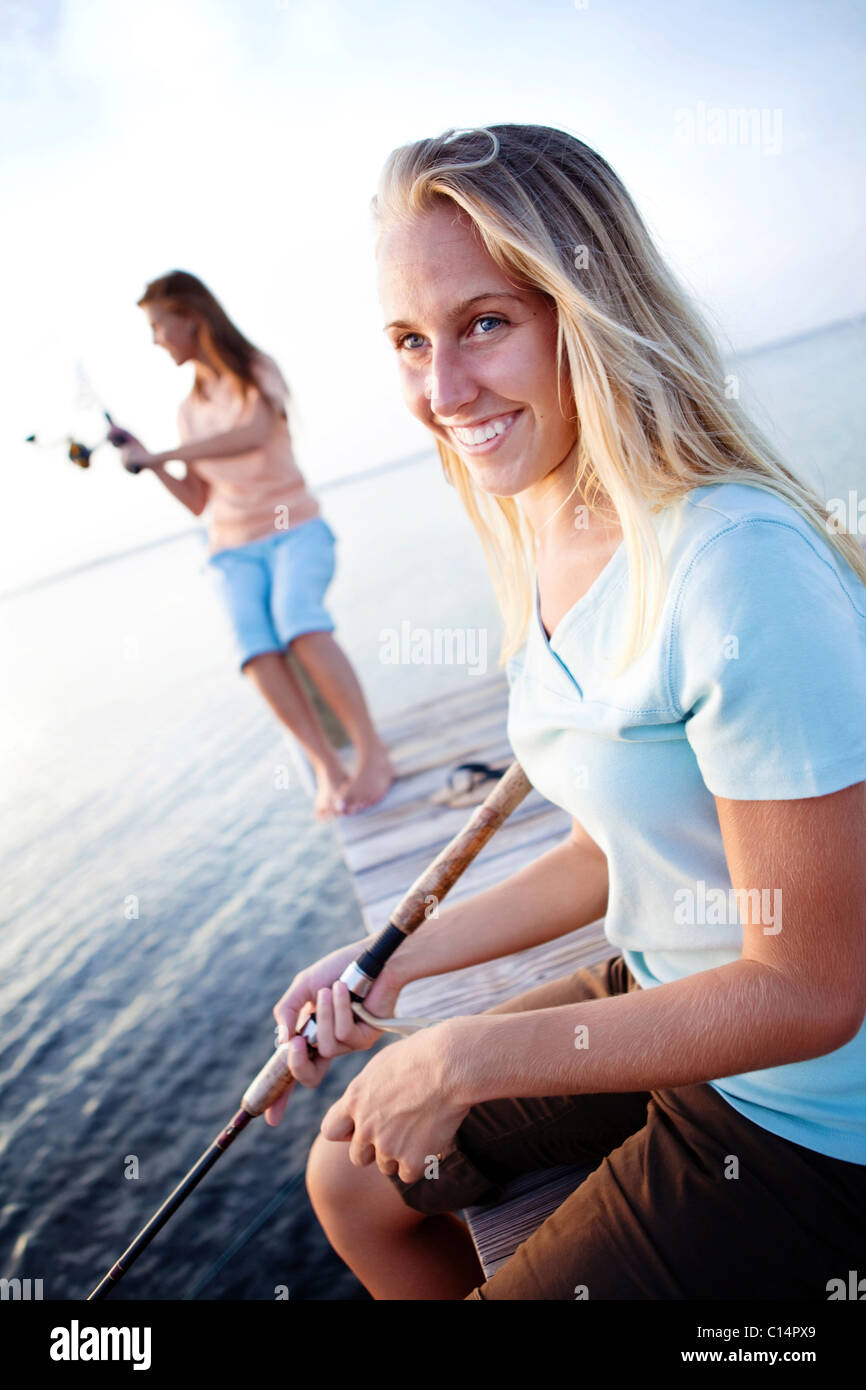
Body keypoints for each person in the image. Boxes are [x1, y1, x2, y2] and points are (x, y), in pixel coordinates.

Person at [266, 125, 866, 1299]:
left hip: (811, 1099)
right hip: (666, 990)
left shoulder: (732, 564)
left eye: (483, 323)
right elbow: (606, 849)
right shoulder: (549, 516)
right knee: (349, 1176)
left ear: (583, 311)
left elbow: (809, 988)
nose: (440, 391)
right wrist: (393, 965)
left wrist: (466, 1054)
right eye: (407, 342)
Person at [112, 270, 394, 818]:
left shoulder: (255, 370)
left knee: (300, 622)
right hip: (231, 546)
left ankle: (372, 755)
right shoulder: (187, 410)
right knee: (256, 650)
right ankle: (326, 768)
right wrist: (149, 458)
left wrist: (165, 454)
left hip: (295, 529)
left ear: (190, 318)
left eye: (158, 326)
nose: (155, 340)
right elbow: (198, 499)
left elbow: (255, 435)